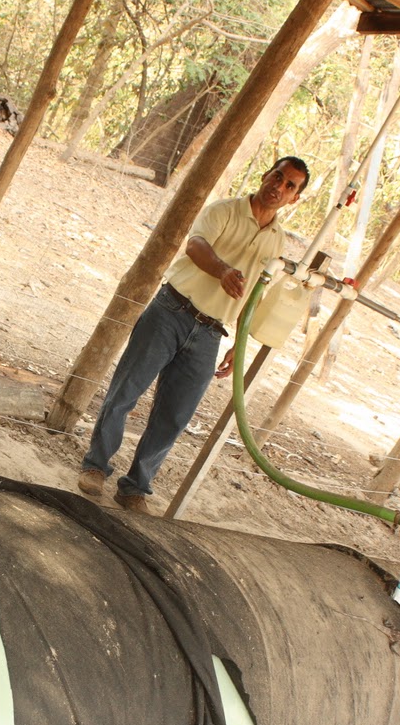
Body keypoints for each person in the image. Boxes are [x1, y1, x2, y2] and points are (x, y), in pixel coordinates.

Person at [77, 156, 309, 514]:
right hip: (171, 310)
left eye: (290, 185)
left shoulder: (277, 243)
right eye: (277, 177)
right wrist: (222, 270)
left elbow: (260, 295)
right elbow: (196, 245)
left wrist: (241, 345)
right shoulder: (225, 210)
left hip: (212, 333)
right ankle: (95, 467)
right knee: (126, 391)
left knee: (174, 415)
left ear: (295, 198)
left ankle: (135, 488)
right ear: (265, 175)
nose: (279, 187)